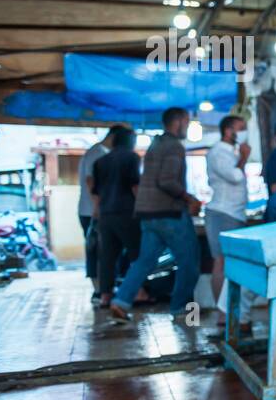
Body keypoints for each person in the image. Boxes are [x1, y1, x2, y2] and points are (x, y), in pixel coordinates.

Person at [109, 107, 202, 322]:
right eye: (187, 122)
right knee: (189, 262)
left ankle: (121, 301)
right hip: (168, 213)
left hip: (148, 214)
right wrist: (189, 199)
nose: (187, 127)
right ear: (178, 122)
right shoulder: (174, 146)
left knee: (145, 261)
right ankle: (181, 311)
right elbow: (167, 181)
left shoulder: (156, 144)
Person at [91, 126, 141, 308]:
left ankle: (105, 295)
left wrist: (96, 214)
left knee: (107, 257)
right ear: (131, 142)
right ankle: (139, 292)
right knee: (137, 254)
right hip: (127, 212)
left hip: (105, 214)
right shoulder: (131, 158)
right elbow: (135, 186)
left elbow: (95, 192)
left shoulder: (100, 161)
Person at [205, 114, 251, 305]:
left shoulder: (230, 152)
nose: (244, 132)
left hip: (233, 213)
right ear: (228, 131)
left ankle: (229, 309)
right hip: (223, 213)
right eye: (241, 128)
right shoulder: (219, 152)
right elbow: (235, 176)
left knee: (230, 263)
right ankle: (222, 313)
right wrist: (244, 157)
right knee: (222, 262)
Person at [79, 125, 123, 300]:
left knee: (103, 252)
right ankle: (99, 290)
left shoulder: (101, 152)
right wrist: (98, 208)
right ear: (113, 137)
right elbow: (90, 181)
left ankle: (103, 290)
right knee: (98, 251)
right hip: (93, 212)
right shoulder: (97, 153)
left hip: (96, 210)